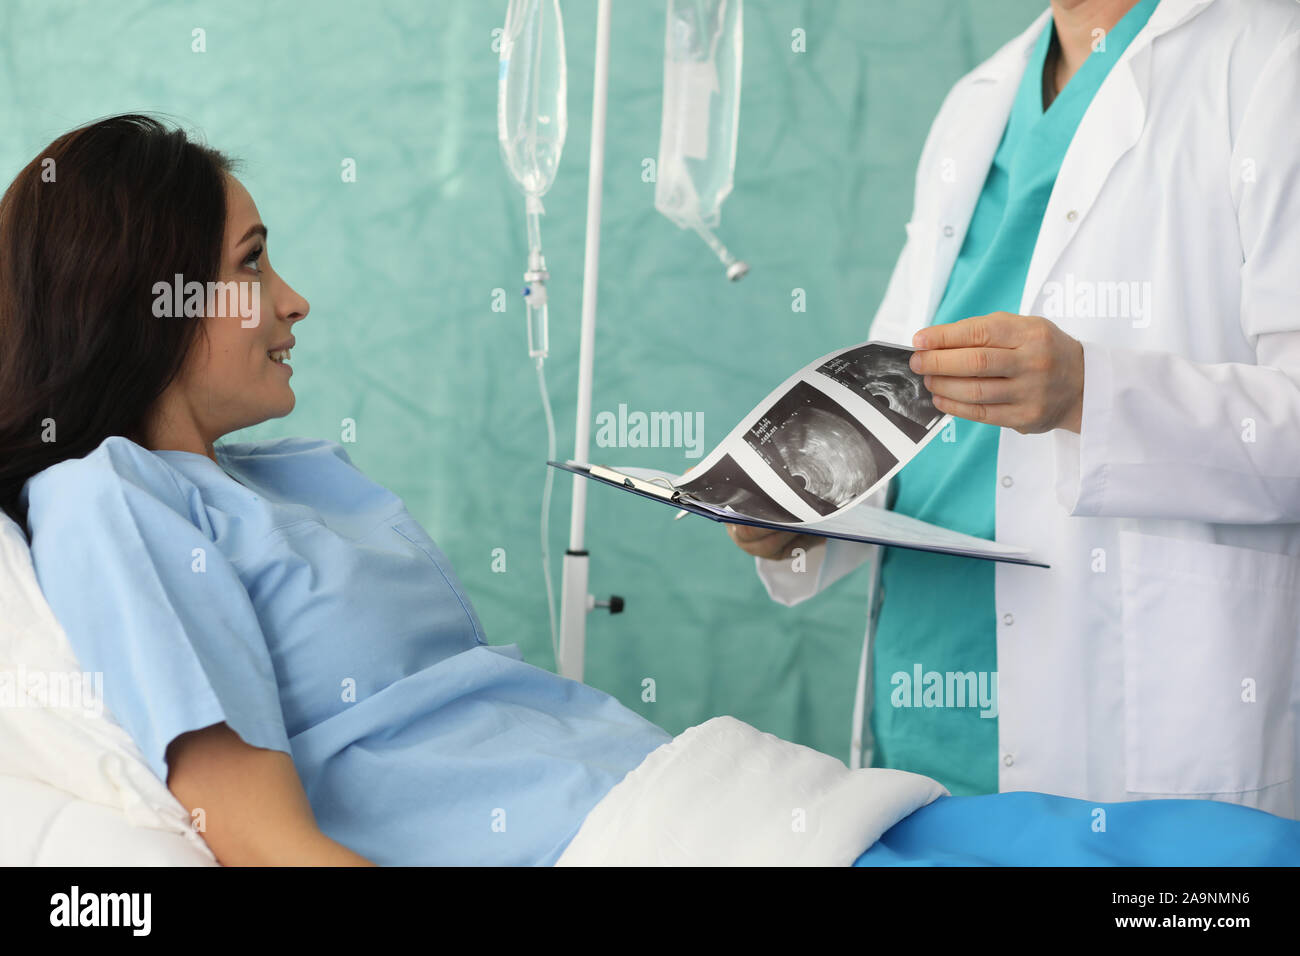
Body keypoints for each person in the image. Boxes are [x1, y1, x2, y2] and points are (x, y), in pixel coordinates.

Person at [0, 114, 671, 865]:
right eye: (250, 264)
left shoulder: (291, 475)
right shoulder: (110, 500)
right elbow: (267, 844)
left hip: (678, 792)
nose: (294, 301)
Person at [730, 0, 1300, 818]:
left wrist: (1090, 393)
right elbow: (899, 377)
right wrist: (802, 511)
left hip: (1133, 702)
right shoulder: (980, 98)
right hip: (924, 680)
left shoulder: (1271, 57)